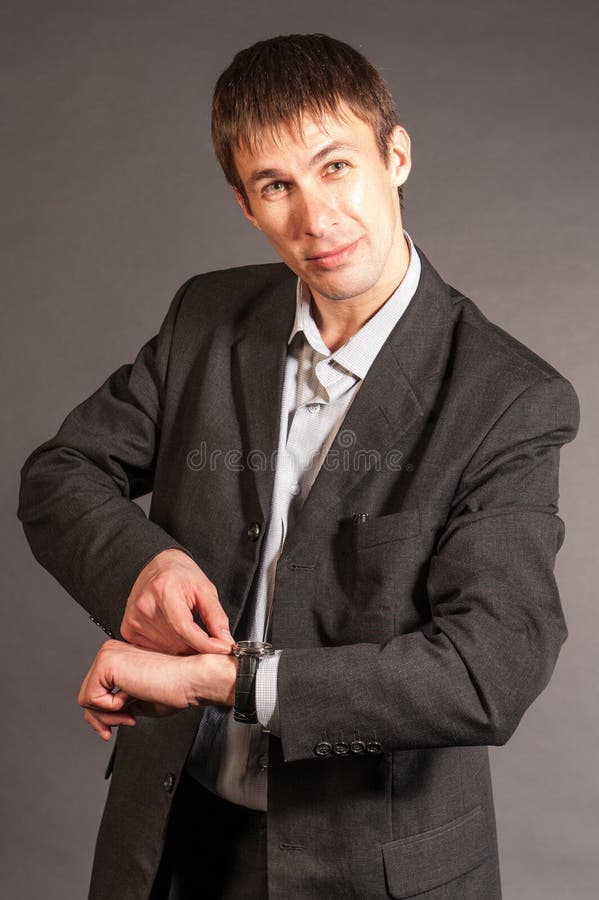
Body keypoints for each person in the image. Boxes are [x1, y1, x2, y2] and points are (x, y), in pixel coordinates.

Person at [18, 33, 579, 900]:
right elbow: (59, 474)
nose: (314, 218)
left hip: (368, 869)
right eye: (275, 185)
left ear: (394, 156)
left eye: (334, 167)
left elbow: (485, 672)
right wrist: (148, 566)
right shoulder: (205, 314)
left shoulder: (508, 398)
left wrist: (223, 680)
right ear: (245, 204)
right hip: (169, 838)